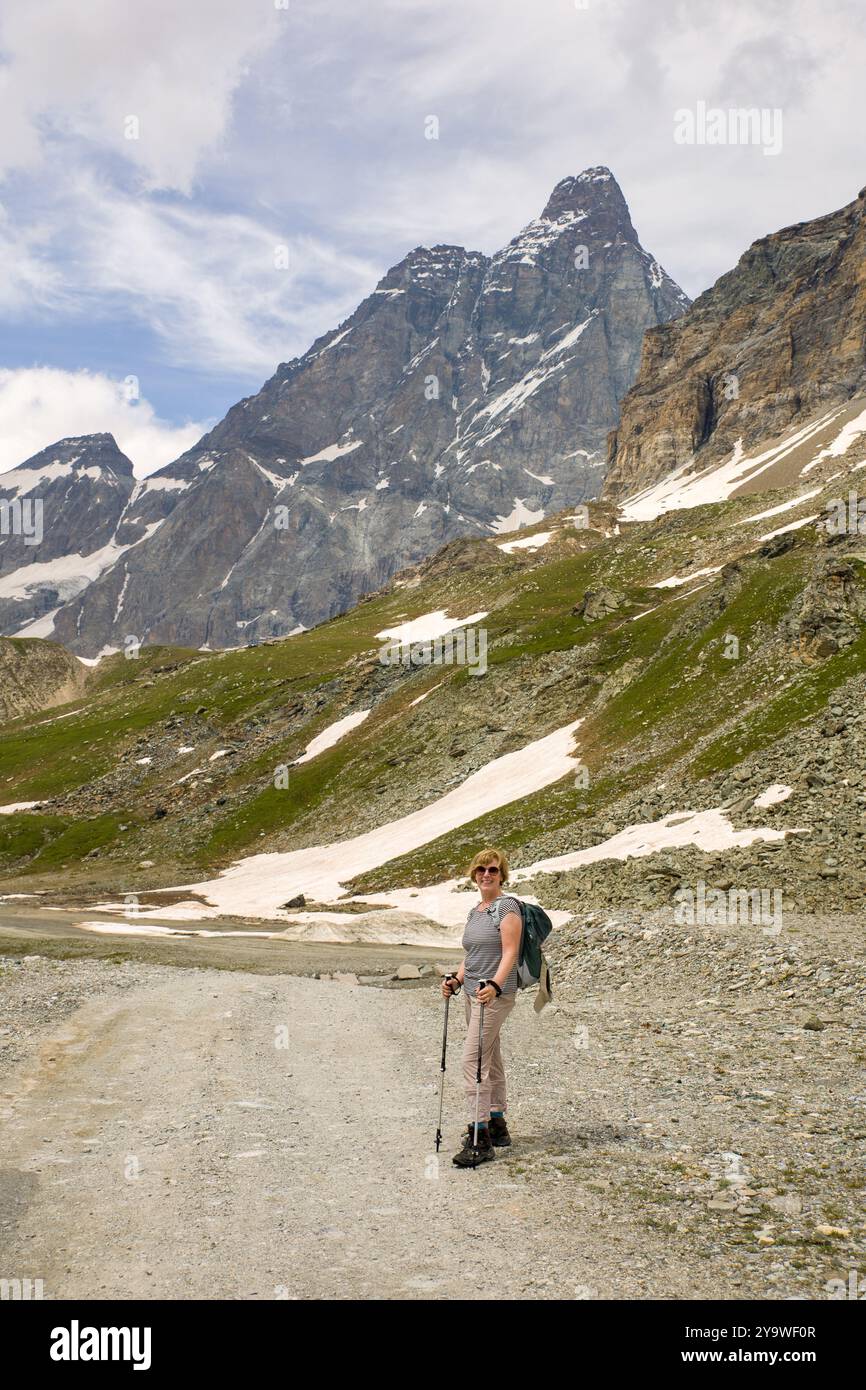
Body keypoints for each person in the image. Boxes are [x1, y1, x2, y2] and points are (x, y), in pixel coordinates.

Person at [442, 848, 522, 1167]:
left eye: (492, 869)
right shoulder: (477, 910)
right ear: (473, 875)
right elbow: (473, 954)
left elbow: (510, 952)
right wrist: (457, 979)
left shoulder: (508, 908)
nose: (486, 874)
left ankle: (480, 1138)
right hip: (473, 993)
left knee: (472, 1060)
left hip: (495, 995)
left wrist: (496, 985)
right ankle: (497, 1124)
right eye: (480, 870)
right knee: (490, 1054)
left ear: (502, 874)